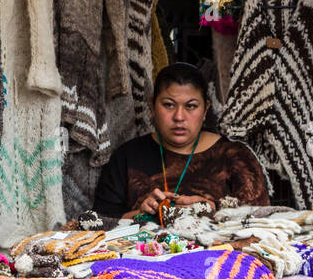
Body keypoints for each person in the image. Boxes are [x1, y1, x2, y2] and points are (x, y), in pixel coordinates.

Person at [93, 63, 270, 220]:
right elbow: (99, 222)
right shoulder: (127, 156)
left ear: (206, 109)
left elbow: (264, 218)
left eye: (191, 106)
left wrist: (212, 207)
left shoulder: (235, 156)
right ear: (152, 106)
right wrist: (141, 214)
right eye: (169, 105)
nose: (179, 117)